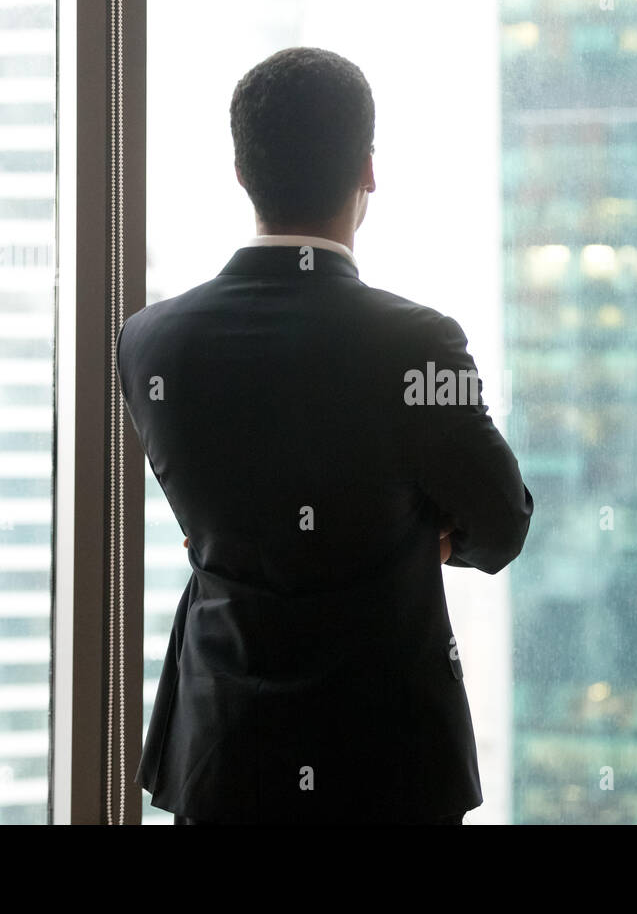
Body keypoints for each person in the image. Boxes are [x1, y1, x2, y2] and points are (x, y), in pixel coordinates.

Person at [116, 47, 534, 824]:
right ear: (368, 169)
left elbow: (219, 515)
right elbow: (502, 526)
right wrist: (418, 532)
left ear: (241, 173)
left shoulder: (149, 343)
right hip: (388, 766)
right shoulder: (417, 344)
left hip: (222, 756)